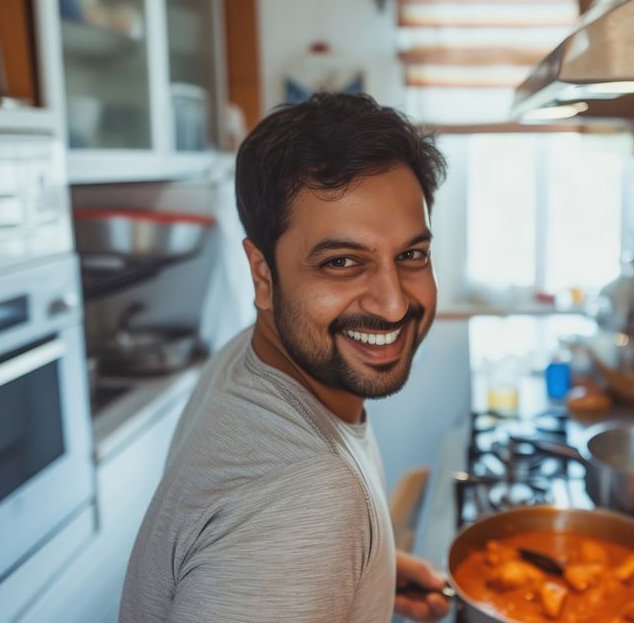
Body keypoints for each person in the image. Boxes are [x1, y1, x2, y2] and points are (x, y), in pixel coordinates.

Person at [120, 92, 451, 622]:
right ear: (262, 274)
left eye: (411, 255)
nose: (392, 304)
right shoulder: (308, 502)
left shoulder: (244, 361)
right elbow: (282, 523)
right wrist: (311, 557)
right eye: (341, 261)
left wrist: (361, 575)